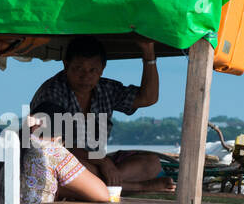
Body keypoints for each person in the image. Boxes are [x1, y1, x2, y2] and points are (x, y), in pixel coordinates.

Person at [29, 36, 175, 193]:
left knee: (151, 163)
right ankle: (136, 187)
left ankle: (103, 185)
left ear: (102, 69)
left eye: (93, 70)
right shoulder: (52, 93)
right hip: (67, 161)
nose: (85, 76)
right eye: (78, 69)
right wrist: (102, 162)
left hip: (99, 163)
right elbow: (52, 147)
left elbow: (147, 98)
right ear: (66, 65)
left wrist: (149, 56)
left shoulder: (106, 89)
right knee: (72, 169)